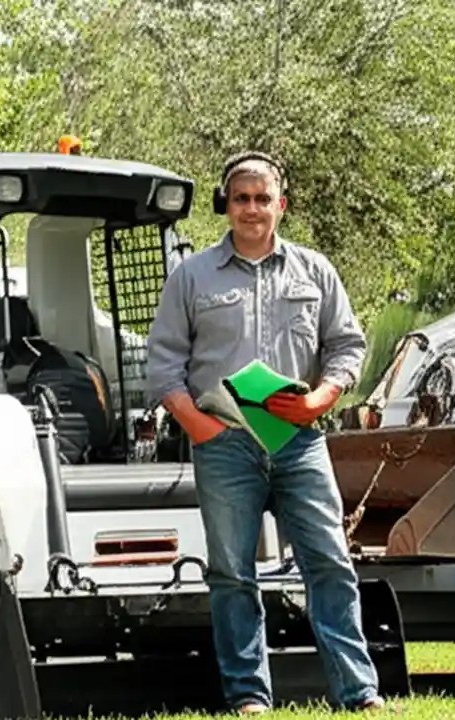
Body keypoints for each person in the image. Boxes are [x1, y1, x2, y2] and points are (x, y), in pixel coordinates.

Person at [146, 151, 384, 714]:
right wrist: (199, 428)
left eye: (262, 198)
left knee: (329, 562)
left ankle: (359, 694)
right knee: (232, 574)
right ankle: (249, 696)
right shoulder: (191, 276)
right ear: (225, 206)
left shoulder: (315, 271)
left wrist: (323, 398)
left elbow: (348, 346)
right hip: (223, 444)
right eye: (240, 199)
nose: (251, 209)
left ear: (282, 204)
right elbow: (163, 365)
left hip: (300, 442)